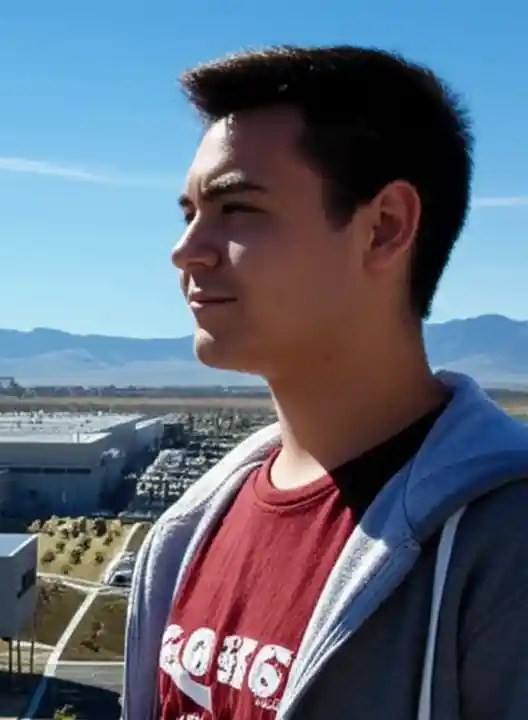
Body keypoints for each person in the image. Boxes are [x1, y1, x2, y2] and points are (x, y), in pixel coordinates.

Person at [122, 45, 528, 720]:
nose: (186, 249)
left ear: (384, 228)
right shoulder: (190, 532)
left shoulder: (502, 545)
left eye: (238, 209)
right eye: (189, 212)